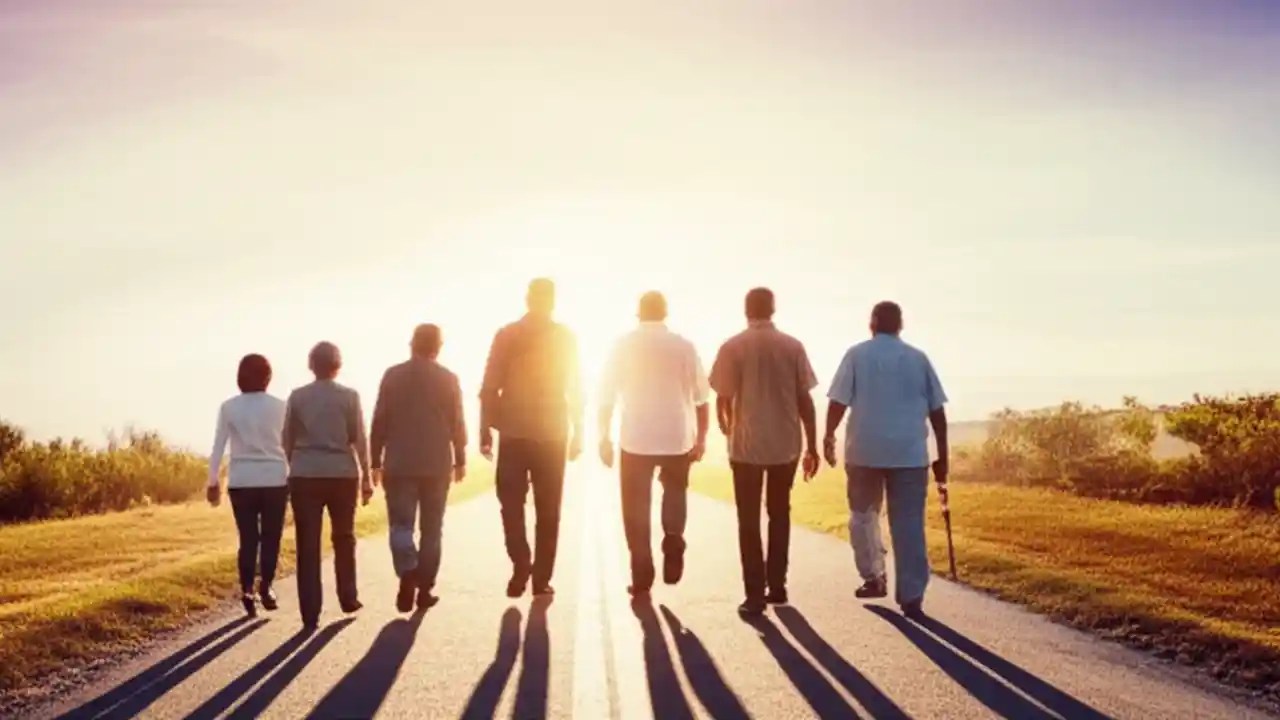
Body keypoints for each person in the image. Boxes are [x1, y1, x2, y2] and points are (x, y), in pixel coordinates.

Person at [823, 301, 949, 620]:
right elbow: (937, 411)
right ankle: (911, 594)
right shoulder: (918, 359)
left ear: (872, 324)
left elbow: (837, 401)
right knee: (908, 523)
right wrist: (942, 458)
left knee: (863, 516)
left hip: (864, 450)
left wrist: (828, 436)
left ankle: (873, 576)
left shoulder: (856, 355)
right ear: (900, 325)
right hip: (909, 454)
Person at [709, 288, 820, 617]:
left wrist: (725, 425)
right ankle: (778, 585)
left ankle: (754, 594)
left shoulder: (732, 346)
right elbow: (805, 400)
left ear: (746, 310)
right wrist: (811, 445)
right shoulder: (793, 346)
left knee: (748, 519)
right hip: (785, 444)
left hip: (746, 446)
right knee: (779, 513)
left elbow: (722, 396)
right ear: (773, 309)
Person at [598, 291, 710, 598]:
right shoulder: (684, 346)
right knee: (675, 494)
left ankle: (641, 575)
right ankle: (673, 538)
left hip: (636, 438)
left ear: (638, 314)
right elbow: (702, 396)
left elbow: (606, 394)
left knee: (635, 507)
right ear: (665, 313)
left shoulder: (623, 345)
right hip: (676, 437)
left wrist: (603, 436)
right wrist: (701, 438)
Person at [479, 278, 584, 598]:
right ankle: (540, 579)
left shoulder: (507, 334)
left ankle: (521, 561)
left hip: (514, 433)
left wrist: (484, 430)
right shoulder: (565, 337)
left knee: (510, 505)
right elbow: (576, 386)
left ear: (527, 299)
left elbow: (489, 386)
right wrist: (579, 430)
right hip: (552, 433)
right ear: (552, 302)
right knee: (548, 510)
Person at [370, 324, 467, 613]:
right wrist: (460, 458)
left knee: (401, 525)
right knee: (432, 529)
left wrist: (375, 460)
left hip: (399, 464)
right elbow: (457, 423)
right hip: (436, 463)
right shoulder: (448, 378)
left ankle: (408, 571)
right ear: (438, 346)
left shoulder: (392, 375)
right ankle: (424, 589)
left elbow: (379, 421)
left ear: (412, 343)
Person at [283, 341, 373, 630]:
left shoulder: (297, 397)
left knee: (307, 543)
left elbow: (287, 439)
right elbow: (359, 437)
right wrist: (368, 478)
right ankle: (348, 595)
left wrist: (293, 466)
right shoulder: (349, 396)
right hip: (342, 474)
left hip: (305, 475)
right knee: (344, 537)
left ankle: (310, 611)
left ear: (312, 365)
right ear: (338, 365)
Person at [207, 353, 290, 617]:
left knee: (248, 538)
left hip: (241, 481)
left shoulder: (229, 407)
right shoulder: (281, 407)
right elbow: (289, 446)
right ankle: (265, 586)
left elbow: (218, 445)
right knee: (271, 537)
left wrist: (212, 481)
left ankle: (246, 590)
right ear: (268, 377)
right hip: (275, 479)